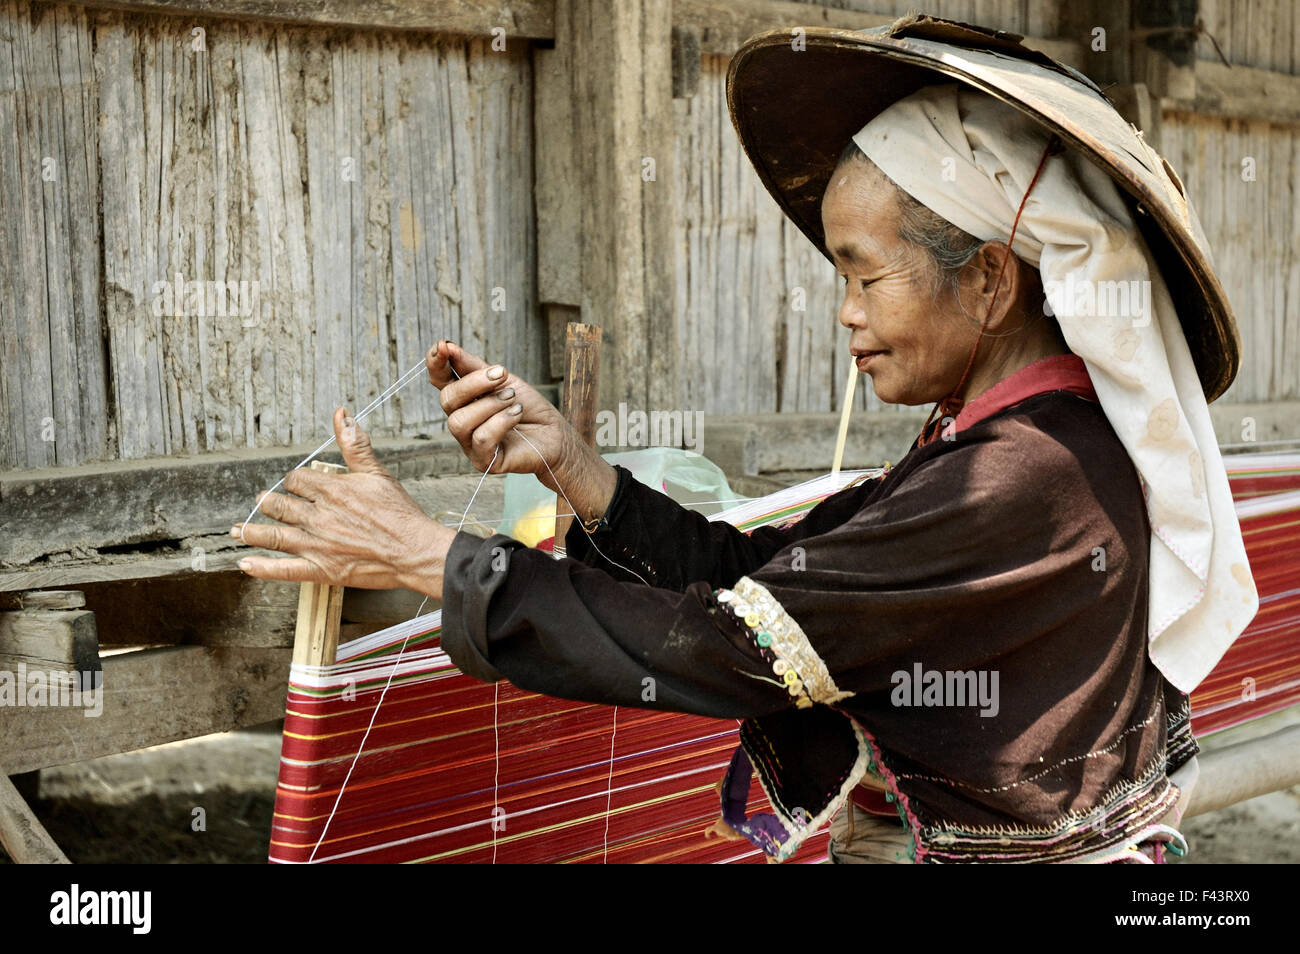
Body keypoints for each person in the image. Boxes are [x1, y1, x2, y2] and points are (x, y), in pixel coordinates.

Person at [234, 19, 1256, 863]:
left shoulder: (1021, 474)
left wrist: (428, 557)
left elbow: (733, 647)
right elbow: (772, 580)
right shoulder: (1023, 442)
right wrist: (576, 469)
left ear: (990, 278)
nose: (846, 315)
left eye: (865, 275)